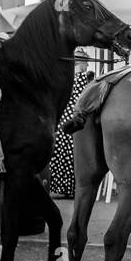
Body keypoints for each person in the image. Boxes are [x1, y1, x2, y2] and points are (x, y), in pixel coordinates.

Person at [49, 49, 95, 198]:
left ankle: (66, 187)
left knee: (64, 153)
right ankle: (72, 188)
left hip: (65, 117)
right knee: (72, 153)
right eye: (86, 62)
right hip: (73, 116)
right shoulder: (81, 77)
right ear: (80, 62)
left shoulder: (65, 77)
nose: (88, 64)